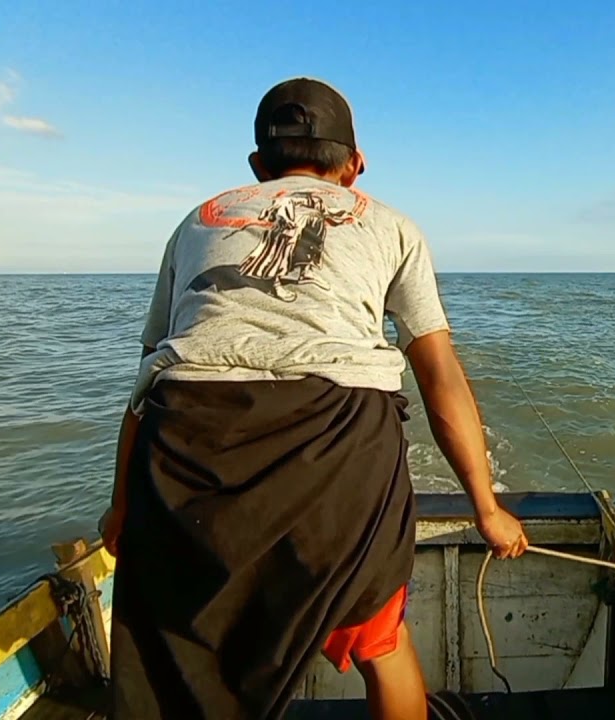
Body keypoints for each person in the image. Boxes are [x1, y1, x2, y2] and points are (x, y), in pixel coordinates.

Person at [99, 76, 528, 720]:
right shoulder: (391, 226)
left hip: (190, 445)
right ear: (354, 167)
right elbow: (439, 374)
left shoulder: (196, 222)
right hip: (339, 439)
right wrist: (486, 507)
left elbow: (153, 375)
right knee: (379, 641)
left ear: (255, 166)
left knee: (183, 658)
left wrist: (122, 507)